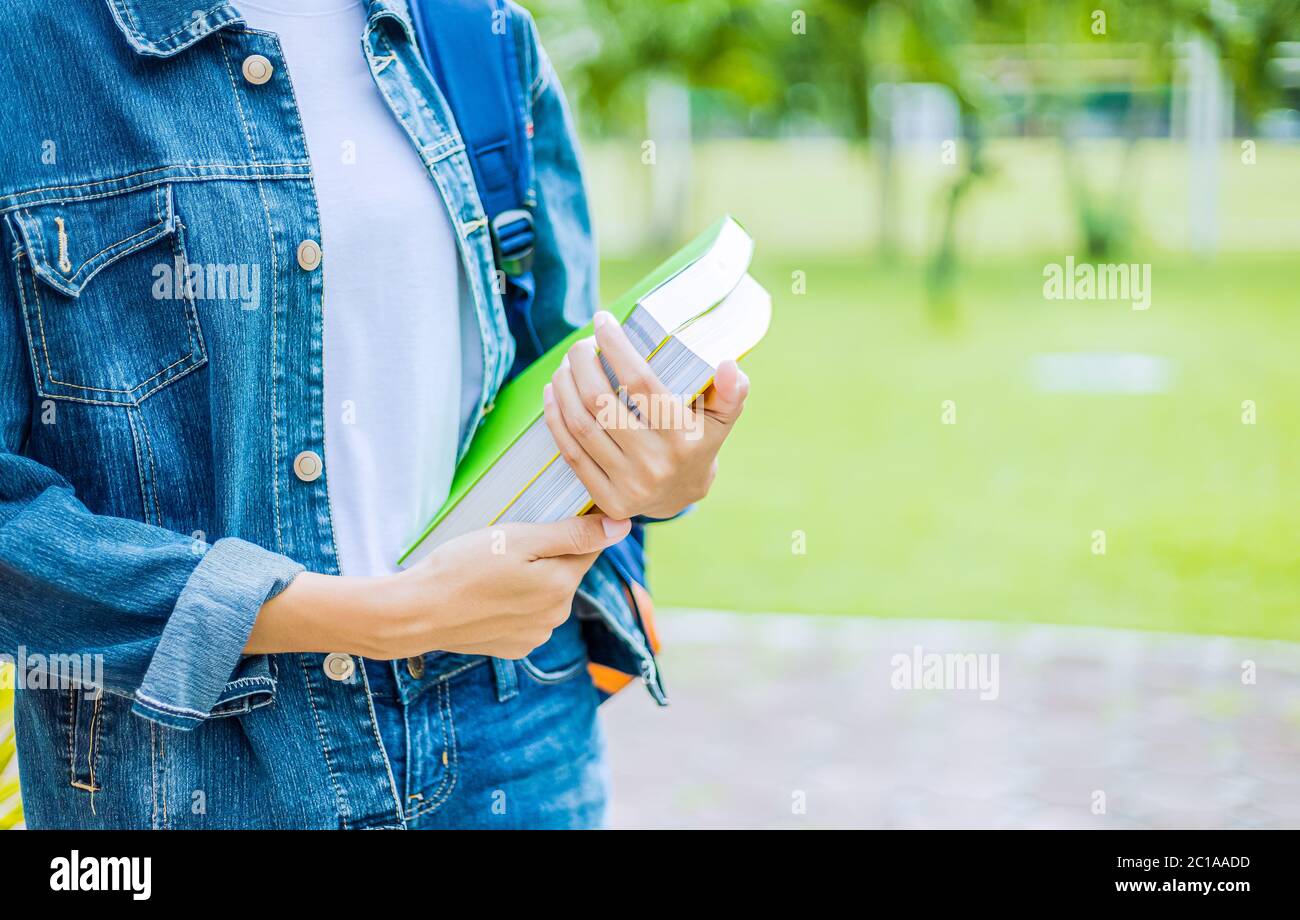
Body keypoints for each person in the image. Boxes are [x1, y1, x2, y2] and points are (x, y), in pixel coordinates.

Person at [0, 0, 748, 829]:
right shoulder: (26, 42)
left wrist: (661, 471)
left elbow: (550, 371)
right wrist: (389, 617)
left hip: (512, 730)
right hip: (197, 776)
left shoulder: (471, 30)